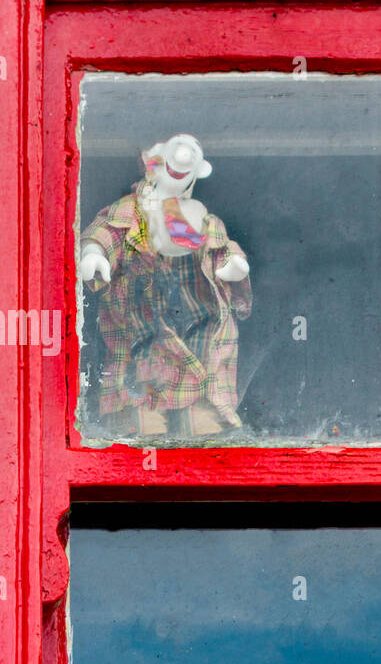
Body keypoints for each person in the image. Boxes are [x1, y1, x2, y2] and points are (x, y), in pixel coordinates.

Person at [78, 134, 251, 438]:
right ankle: (142, 415)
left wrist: (231, 264)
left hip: (193, 308)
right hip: (143, 309)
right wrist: (95, 253)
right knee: (141, 366)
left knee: (205, 359)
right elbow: (108, 230)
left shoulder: (196, 215)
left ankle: (200, 416)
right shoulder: (133, 211)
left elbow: (220, 244)